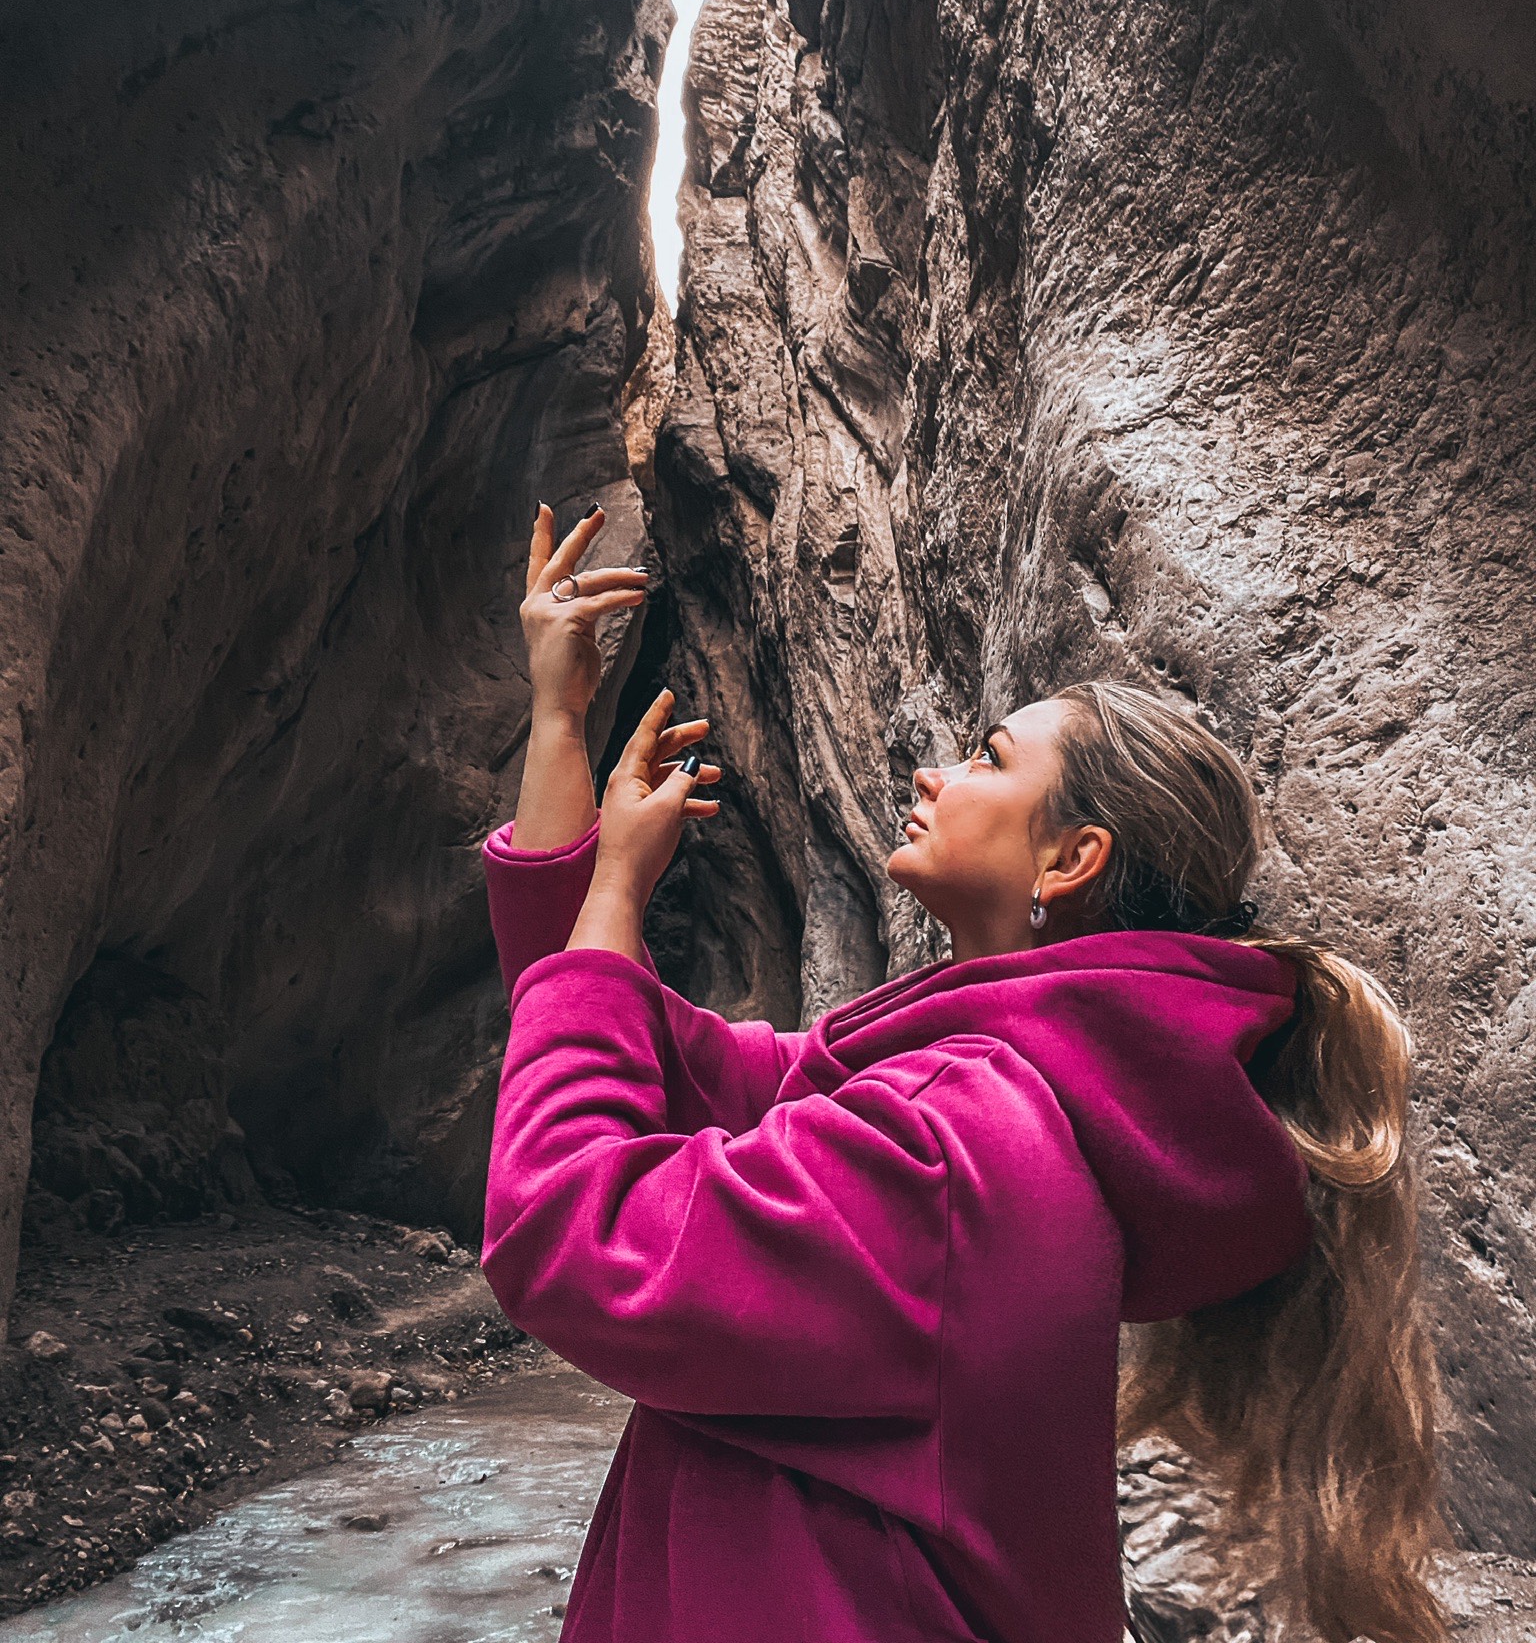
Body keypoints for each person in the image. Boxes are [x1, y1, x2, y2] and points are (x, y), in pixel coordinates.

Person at [480, 504, 1445, 1643]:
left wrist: (612, 898)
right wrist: (558, 717)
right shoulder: (986, 1096)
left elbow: (570, 1222)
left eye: (988, 756)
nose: (938, 770)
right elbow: (647, 1050)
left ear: (1071, 858)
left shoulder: (959, 1138)